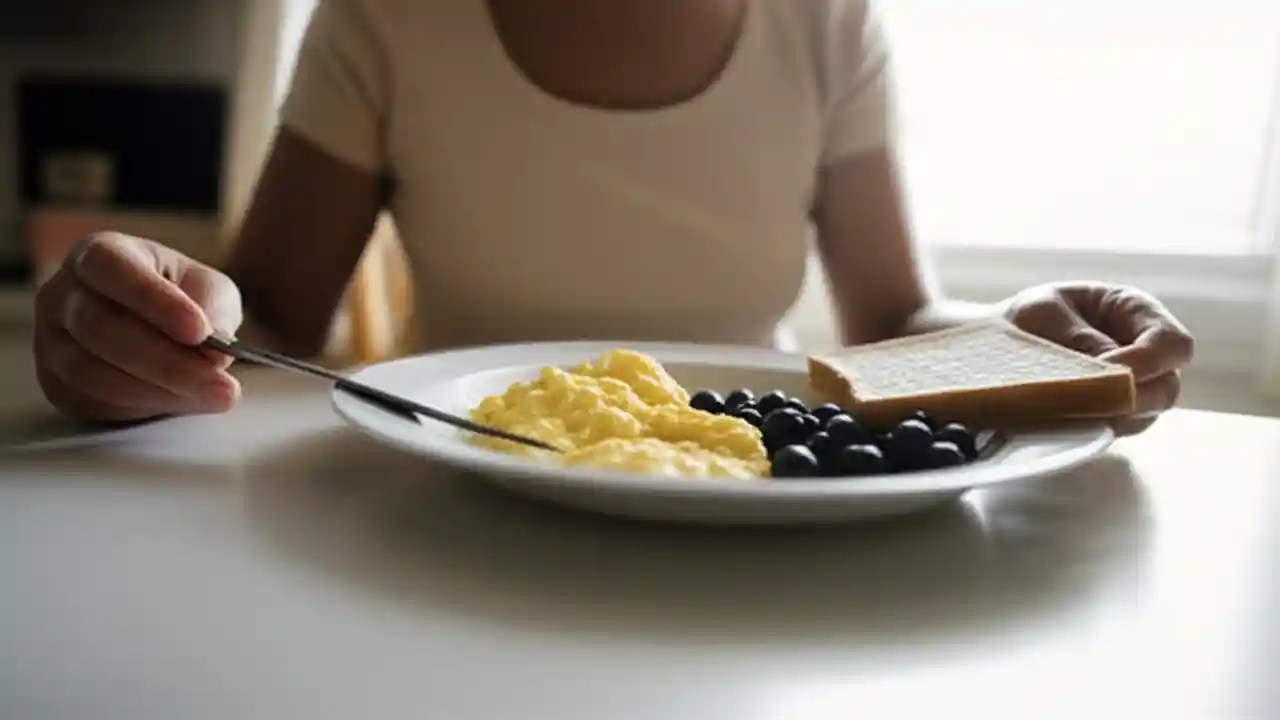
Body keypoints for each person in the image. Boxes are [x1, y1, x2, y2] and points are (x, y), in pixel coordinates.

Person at [31, 0, 1192, 435]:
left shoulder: (826, 23)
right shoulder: (383, 19)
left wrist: (1016, 340)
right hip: (471, 506)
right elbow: (267, 316)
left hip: (758, 515)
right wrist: (146, 338)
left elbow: (891, 318)